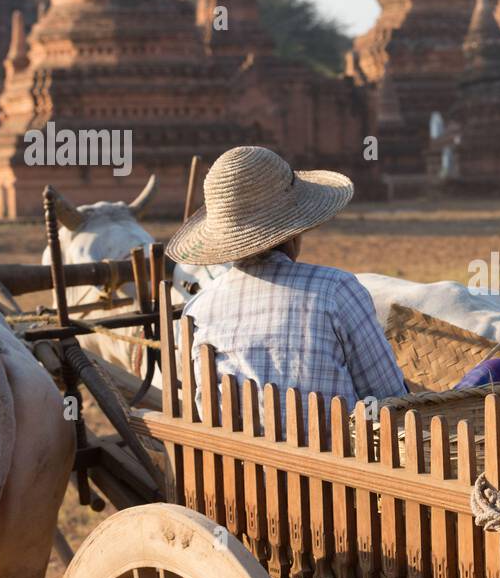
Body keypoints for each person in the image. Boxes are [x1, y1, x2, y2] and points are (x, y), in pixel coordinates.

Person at [165, 146, 407, 413]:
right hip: (330, 456)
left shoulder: (198, 309)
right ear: (296, 231)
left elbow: (199, 403)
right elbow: (388, 399)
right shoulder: (336, 290)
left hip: (232, 454)